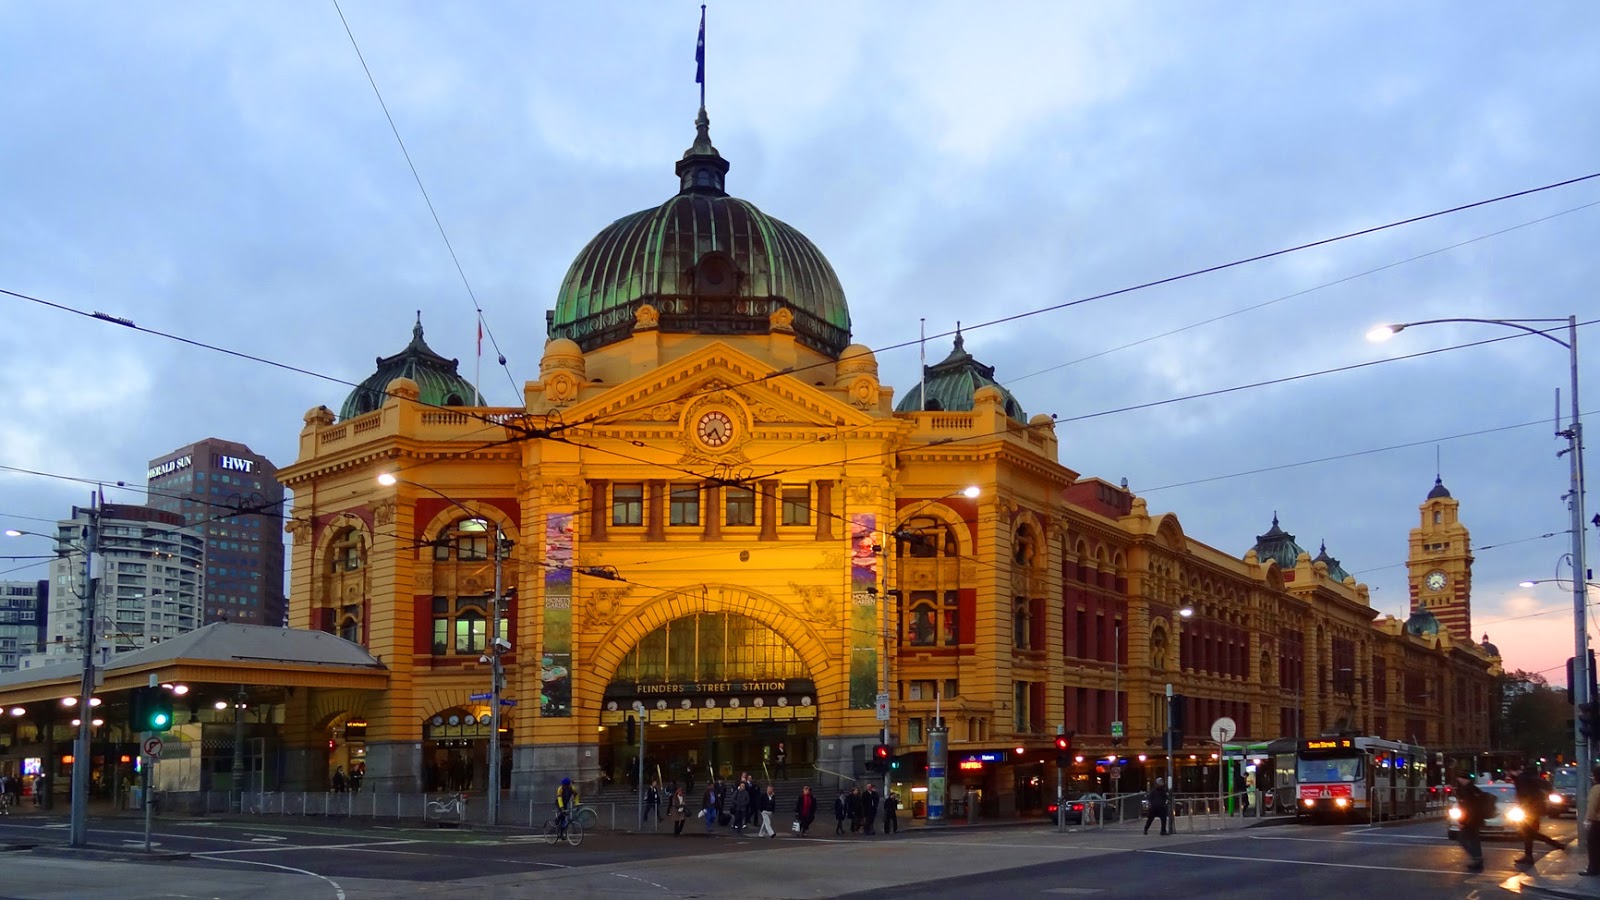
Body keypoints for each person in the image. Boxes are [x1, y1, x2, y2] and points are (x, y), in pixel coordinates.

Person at [1511, 764, 1564, 864]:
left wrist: (1524, 806)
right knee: (1528, 834)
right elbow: (1546, 786)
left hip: (1529, 810)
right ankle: (1528, 856)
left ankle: (1556, 844)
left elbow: (1523, 795)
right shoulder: (1530, 778)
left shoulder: (1522, 779)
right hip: (1534, 809)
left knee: (1530, 833)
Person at [1453, 771, 1488, 872]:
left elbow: (1467, 808)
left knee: (1462, 838)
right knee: (1474, 839)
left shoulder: (1467, 790)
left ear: (1465, 779)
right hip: (1475, 818)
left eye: (1460, 778)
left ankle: (1477, 858)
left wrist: (1462, 822)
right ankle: (1478, 858)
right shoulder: (1473, 789)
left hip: (1470, 819)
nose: (1459, 780)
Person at [1582, 767, 1600, 876]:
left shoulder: (1596, 789)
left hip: (1598, 822)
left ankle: (1593, 868)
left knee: (1593, 845)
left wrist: (1588, 820)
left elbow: (1592, 806)